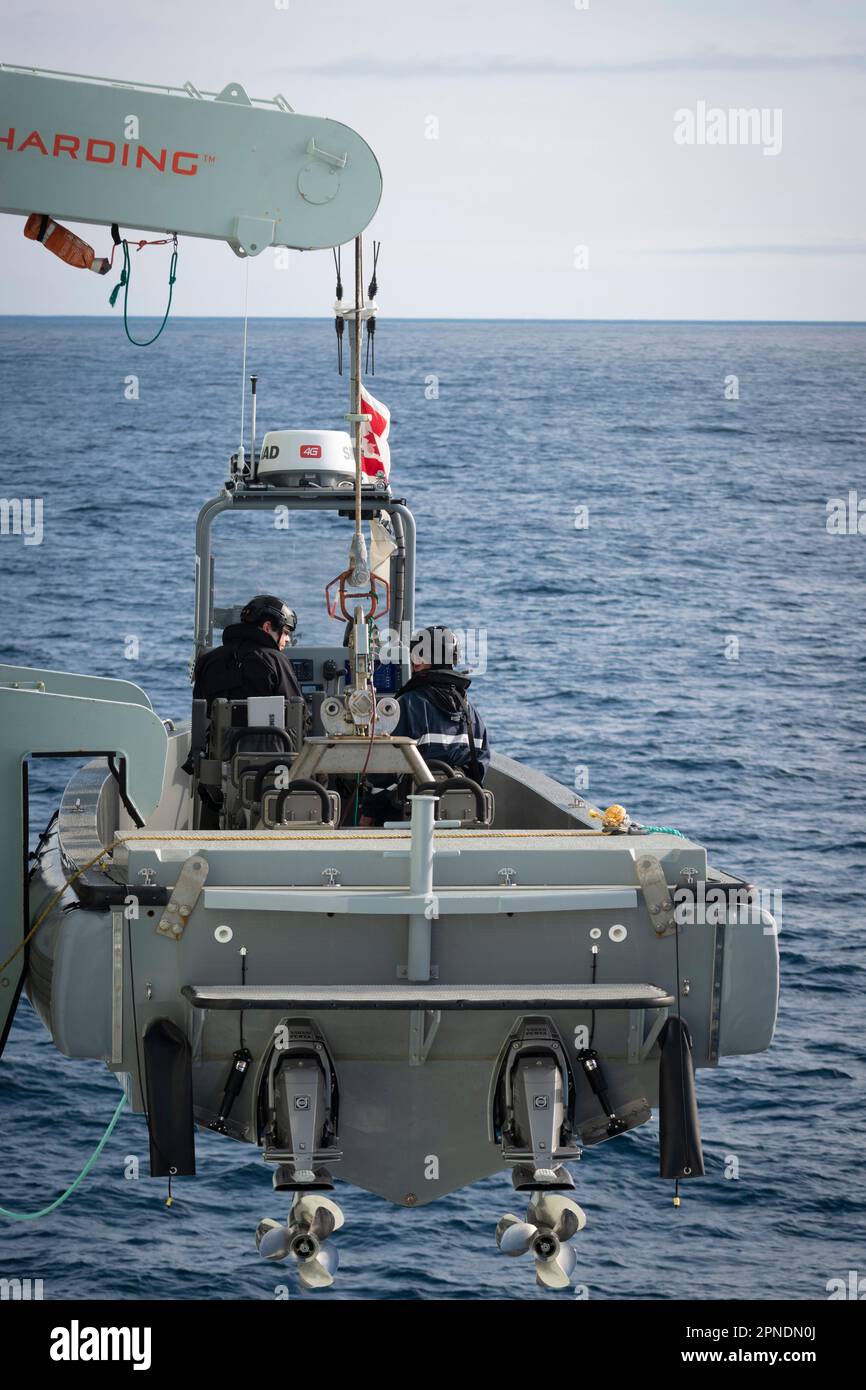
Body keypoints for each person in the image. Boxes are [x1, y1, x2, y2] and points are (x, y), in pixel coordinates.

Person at [359, 625, 490, 825]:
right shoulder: (470, 712)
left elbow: (383, 774)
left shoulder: (406, 705)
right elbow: (478, 769)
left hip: (408, 819)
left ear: (419, 662)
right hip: (461, 818)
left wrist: (367, 814)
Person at [193, 594, 304, 712]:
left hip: (220, 731)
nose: (287, 639)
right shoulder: (275, 660)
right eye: (285, 632)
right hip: (271, 731)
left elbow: (200, 714)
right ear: (267, 627)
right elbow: (297, 712)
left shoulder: (208, 660)